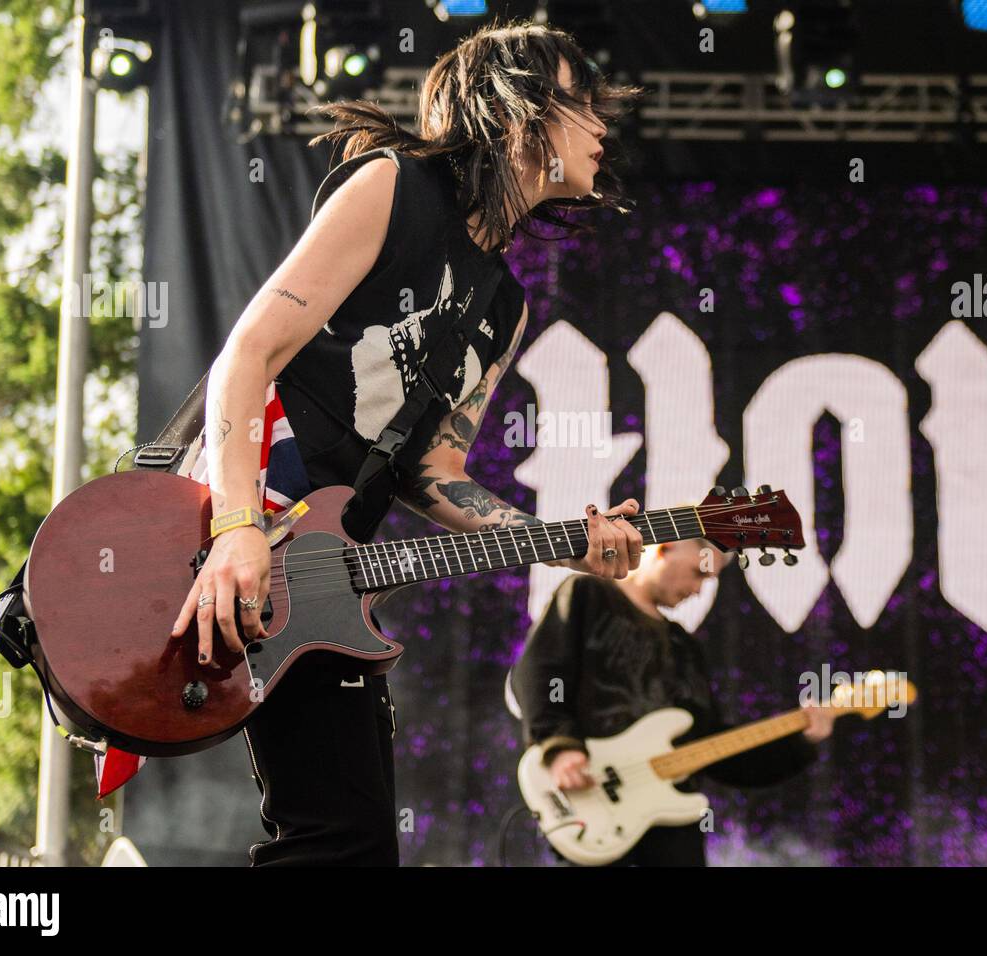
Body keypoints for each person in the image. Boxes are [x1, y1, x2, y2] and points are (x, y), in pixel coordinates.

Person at [167, 21, 644, 866]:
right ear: (518, 106)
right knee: (336, 838)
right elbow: (251, 351)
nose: (603, 127)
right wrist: (236, 526)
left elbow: (433, 471)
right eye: (581, 102)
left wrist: (560, 543)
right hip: (243, 513)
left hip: (321, 574)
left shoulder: (505, 306)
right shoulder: (394, 187)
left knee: (344, 839)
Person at [511, 538, 840, 866]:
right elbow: (540, 670)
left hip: (671, 832)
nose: (698, 590)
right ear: (666, 546)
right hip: (591, 800)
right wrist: (559, 744)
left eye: (707, 581)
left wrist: (802, 740)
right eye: (698, 572)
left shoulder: (685, 647)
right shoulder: (587, 594)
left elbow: (715, 749)